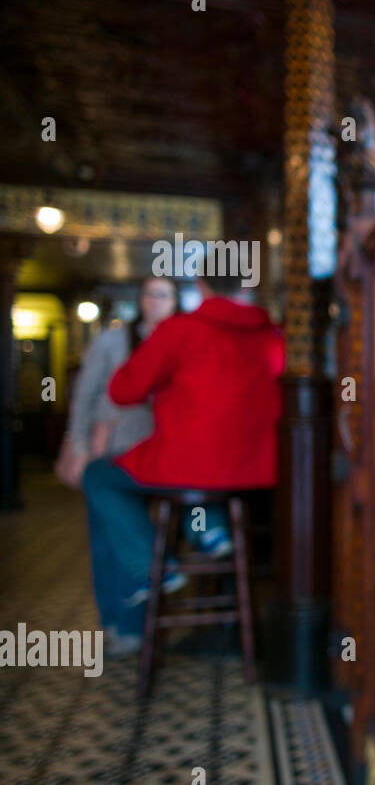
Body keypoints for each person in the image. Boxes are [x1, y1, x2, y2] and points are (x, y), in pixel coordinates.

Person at [80, 269, 284, 656]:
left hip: (191, 465)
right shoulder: (272, 334)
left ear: (202, 289)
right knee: (198, 482)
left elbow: (123, 391)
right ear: (244, 288)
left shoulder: (180, 330)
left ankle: (155, 570)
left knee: (99, 476)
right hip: (256, 469)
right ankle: (209, 532)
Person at [56, 277, 181, 647]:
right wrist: (78, 443)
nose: (155, 302)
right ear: (141, 300)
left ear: (175, 301)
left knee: (134, 532)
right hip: (113, 448)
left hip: (164, 453)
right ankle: (118, 622)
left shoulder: (181, 340)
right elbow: (85, 395)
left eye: (163, 295)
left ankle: (142, 612)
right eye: (149, 294)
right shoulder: (112, 341)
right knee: (106, 537)